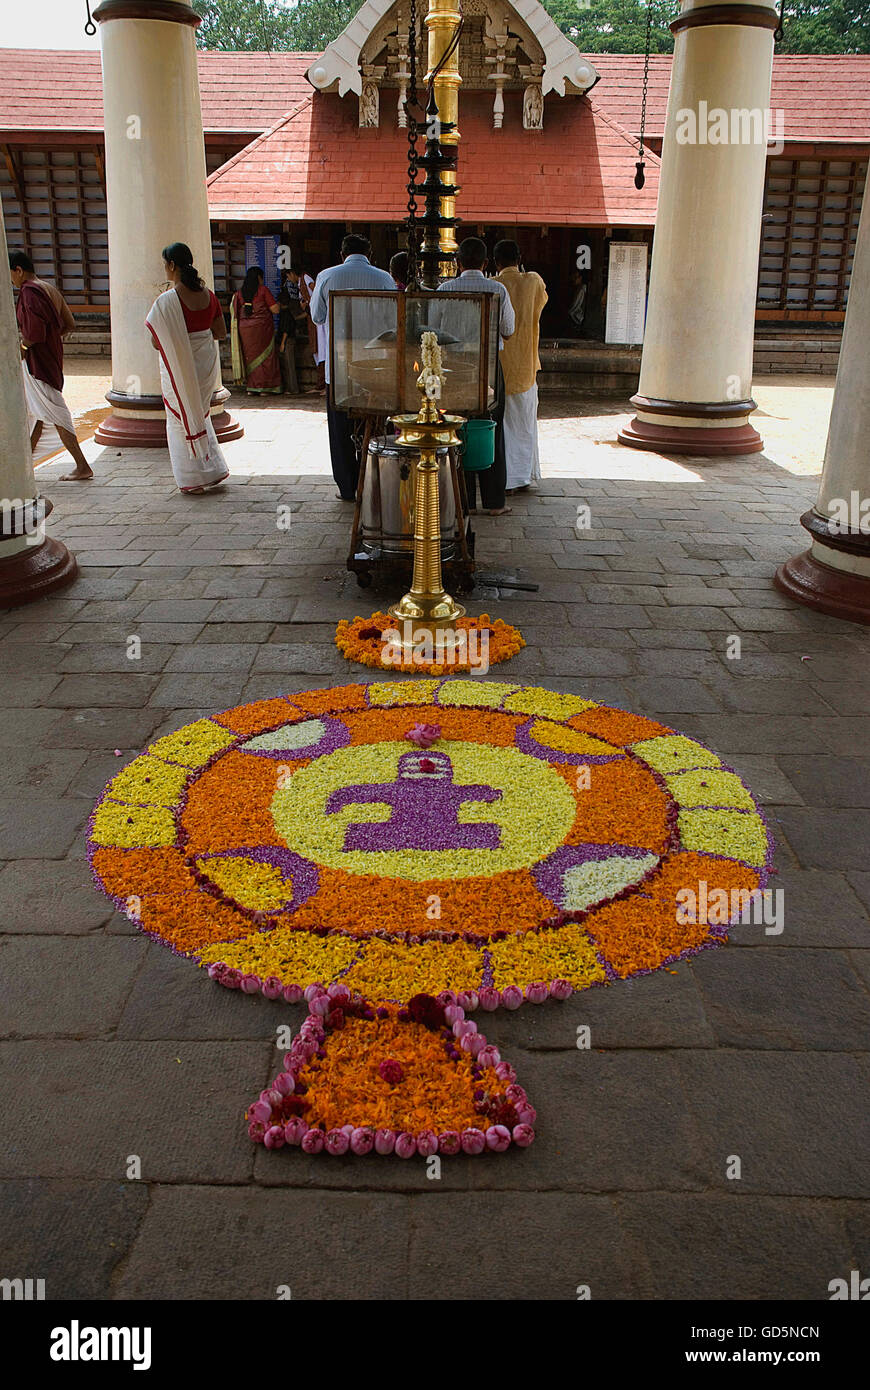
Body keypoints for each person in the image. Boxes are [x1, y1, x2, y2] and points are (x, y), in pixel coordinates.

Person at [309, 234, 395, 501]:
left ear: (342, 253)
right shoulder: (383, 278)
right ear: (370, 253)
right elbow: (393, 320)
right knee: (377, 423)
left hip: (340, 365)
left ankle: (348, 486)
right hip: (375, 367)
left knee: (340, 428)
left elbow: (317, 316)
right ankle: (377, 479)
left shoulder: (327, 276)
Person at [145, 241, 230, 495]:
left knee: (179, 417)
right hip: (204, 363)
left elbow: (155, 342)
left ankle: (191, 478)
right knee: (199, 413)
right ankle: (212, 470)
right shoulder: (208, 296)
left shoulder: (166, 302)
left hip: (180, 365)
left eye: (165, 265)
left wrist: (179, 342)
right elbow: (220, 332)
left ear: (172, 265)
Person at [439, 236, 515, 516]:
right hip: (489, 367)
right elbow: (508, 329)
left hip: (455, 367)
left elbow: (433, 331)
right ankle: (494, 501)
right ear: (485, 263)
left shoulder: (445, 289)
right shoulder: (498, 289)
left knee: (457, 427)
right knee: (491, 427)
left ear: (458, 262)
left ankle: (463, 499)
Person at [9, 250, 93, 480]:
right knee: (37, 413)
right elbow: (69, 323)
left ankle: (83, 465)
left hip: (39, 363)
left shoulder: (29, 292)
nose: (11, 281)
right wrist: (52, 340)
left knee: (56, 413)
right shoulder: (48, 288)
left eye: (11, 275)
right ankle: (25, 470)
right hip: (50, 359)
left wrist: (23, 348)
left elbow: (34, 333)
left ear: (18, 270)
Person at [494, 239, 548, 493]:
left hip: (500, 368)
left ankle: (507, 478)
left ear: (495, 262)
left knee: (504, 424)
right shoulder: (533, 281)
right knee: (525, 423)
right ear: (519, 258)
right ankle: (523, 475)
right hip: (526, 363)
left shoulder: (495, 285)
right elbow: (542, 300)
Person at [230, 266, 281, 394]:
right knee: (266, 358)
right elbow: (275, 309)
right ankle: (265, 388)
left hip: (245, 331)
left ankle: (252, 388)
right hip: (262, 329)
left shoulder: (239, 293)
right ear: (259, 278)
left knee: (250, 358)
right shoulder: (263, 290)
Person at [297, 268, 326, 394]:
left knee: (322, 351)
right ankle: (320, 385)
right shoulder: (300, 285)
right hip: (312, 319)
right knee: (317, 352)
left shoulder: (305, 277)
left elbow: (314, 288)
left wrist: (312, 301)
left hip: (319, 323)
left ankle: (323, 385)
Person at [276, 269, 300, 395]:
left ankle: (292, 389)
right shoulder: (288, 312)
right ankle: (291, 388)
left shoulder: (286, 313)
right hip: (290, 339)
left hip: (288, 340)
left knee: (289, 365)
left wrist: (282, 343)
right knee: (289, 365)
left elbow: (286, 329)